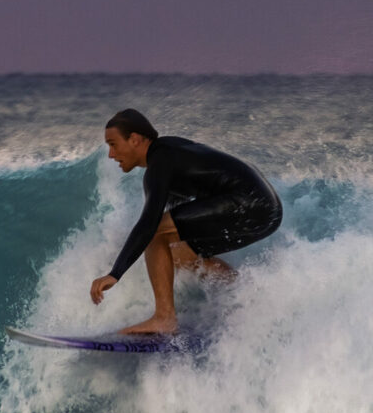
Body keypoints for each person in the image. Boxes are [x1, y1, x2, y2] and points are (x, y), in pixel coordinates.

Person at [91, 108, 282, 334]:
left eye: (113, 144)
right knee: (181, 254)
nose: (111, 155)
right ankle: (246, 301)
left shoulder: (161, 161)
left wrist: (115, 273)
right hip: (266, 211)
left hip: (247, 202)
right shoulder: (169, 153)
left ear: (134, 139)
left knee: (155, 233)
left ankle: (164, 318)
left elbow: (148, 225)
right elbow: (167, 214)